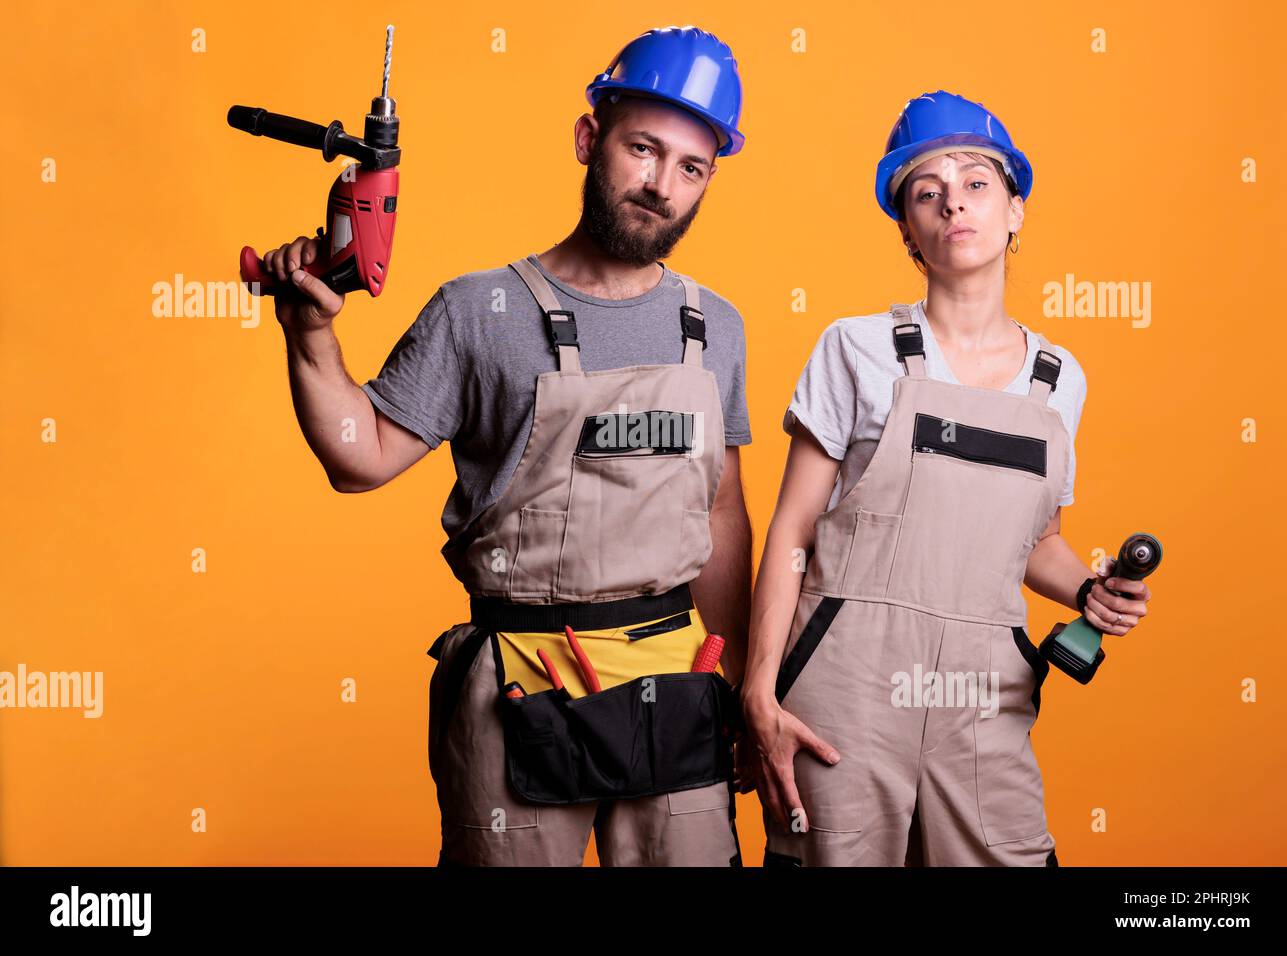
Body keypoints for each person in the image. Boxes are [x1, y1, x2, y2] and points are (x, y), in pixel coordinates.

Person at [262, 26, 754, 866]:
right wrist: (309, 335)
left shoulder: (714, 328)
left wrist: (744, 687)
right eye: (643, 148)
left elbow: (720, 512)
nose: (660, 184)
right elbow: (360, 456)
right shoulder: (477, 310)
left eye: (690, 166)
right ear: (588, 138)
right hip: (520, 685)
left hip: (676, 685)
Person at [741, 90, 1152, 866]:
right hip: (844, 690)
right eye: (927, 192)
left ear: (1015, 210)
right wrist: (758, 690)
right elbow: (791, 530)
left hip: (984, 697)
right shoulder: (854, 348)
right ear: (908, 229)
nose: (952, 203)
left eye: (975, 184)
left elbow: (1032, 542)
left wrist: (1089, 591)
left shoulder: (1060, 379)